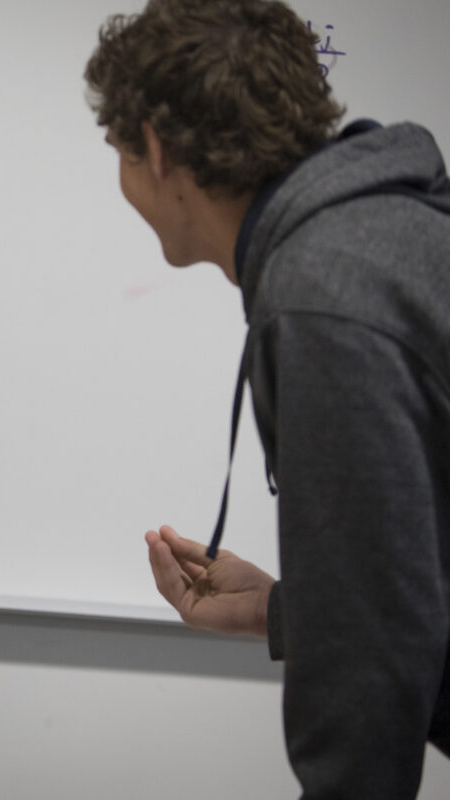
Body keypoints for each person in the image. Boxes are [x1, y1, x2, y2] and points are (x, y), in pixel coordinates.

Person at [85, 0, 450, 797]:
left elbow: (369, 665)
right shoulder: (386, 235)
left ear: (153, 148)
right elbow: (410, 585)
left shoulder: (323, 293)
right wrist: (281, 609)